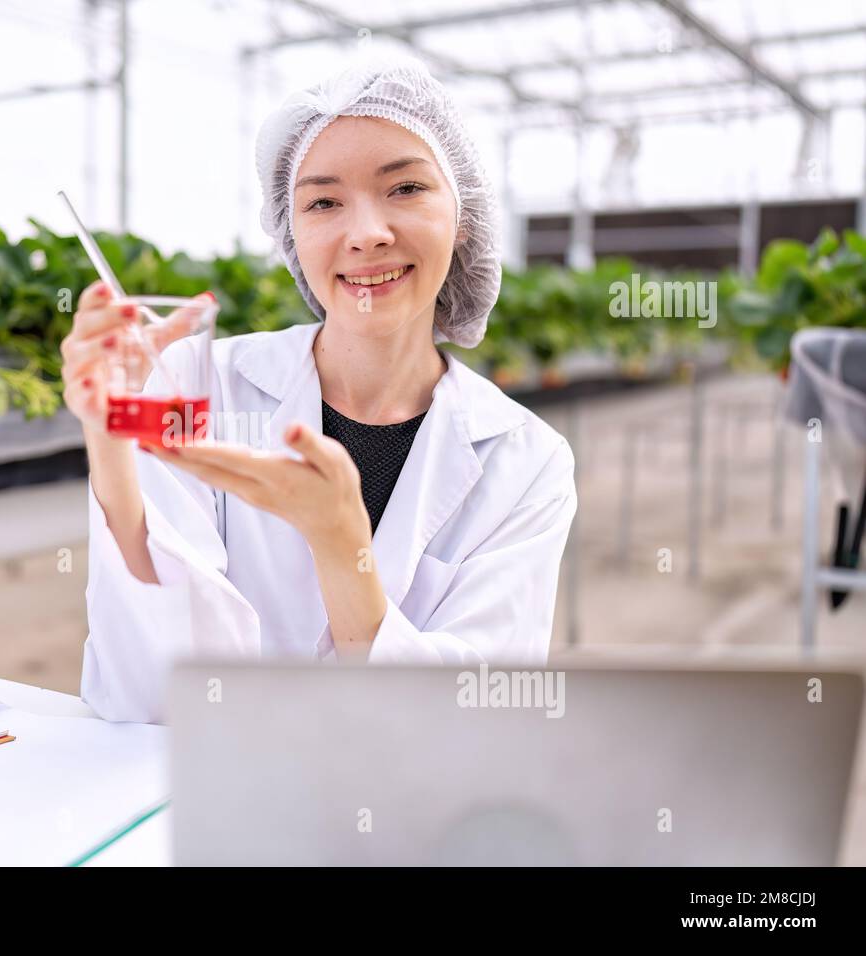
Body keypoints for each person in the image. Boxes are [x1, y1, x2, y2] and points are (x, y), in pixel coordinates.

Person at [60, 55, 577, 723]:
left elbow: (477, 723)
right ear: (291, 234)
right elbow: (147, 695)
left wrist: (341, 544)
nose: (365, 234)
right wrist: (109, 445)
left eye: (406, 188)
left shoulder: (527, 460)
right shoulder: (192, 384)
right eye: (324, 201)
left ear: (466, 216)